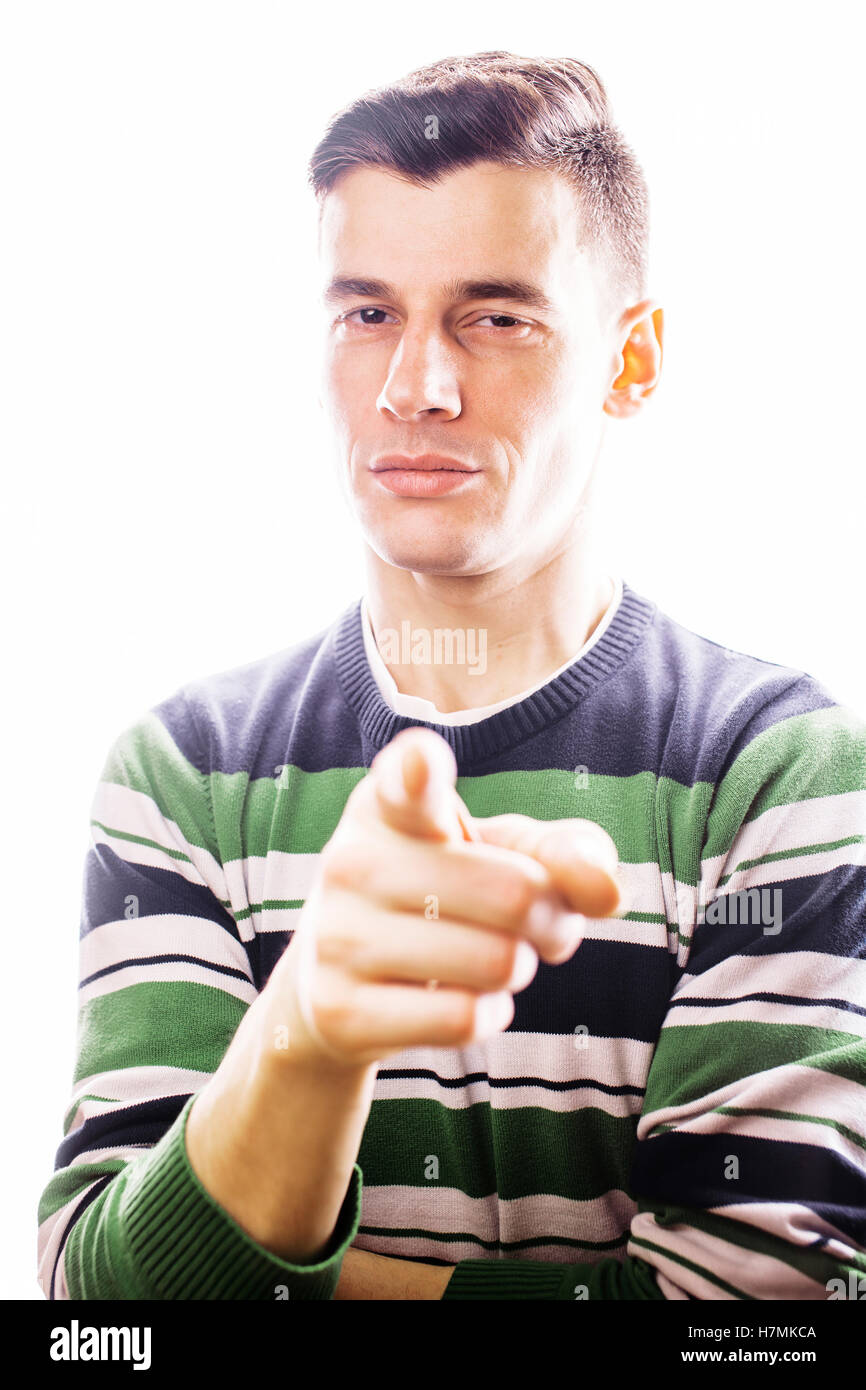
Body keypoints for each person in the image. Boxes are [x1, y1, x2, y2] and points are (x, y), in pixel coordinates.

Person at [38, 51, 866, 1301]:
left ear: (628, 361)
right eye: (367, 313)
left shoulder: (779, 771)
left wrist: (300, 1283)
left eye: (494, 317)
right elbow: (102, 1311)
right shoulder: (181, 775)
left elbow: (762, 1316)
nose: (413, 387)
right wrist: (307, 1032)